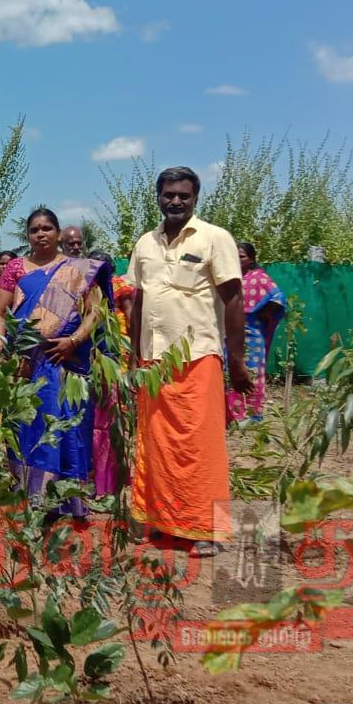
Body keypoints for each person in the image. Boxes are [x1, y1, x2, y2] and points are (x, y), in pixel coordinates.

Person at [126, 166, 249, 557]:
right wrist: (132, 355)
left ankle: (207, 529)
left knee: (200, 444)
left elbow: (233, 298)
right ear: (158, 197)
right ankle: (163, 521)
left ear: (195, 198)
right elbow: (138, 302)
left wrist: (238, 359)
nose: (175, 201)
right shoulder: (146, 243)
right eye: (169, 195)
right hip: (152, 359)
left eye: (184, 195)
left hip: (197, 357)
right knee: (157, 444)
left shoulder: (215, 238)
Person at [0, 209, 109, 512]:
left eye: (47, 228)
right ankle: (31, 494)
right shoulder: (16, 268)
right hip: (25, 363)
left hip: (64, 362)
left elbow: (94, 311)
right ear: (27, 235)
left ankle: (66, 499)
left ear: (58, 233)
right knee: (27, 423)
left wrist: (74, 341)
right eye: (34, 230)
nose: (40, 234)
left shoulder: (77, 269)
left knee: (65, 423)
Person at [226, 242, 286, 425]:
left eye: (242, 256)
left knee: (252, 371)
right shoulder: (229, 278)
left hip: (252, 333)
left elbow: (278, 298)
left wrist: (261, 314)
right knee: (230, 371)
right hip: (230, 332)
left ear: (251, 259)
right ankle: (233, 414)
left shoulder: (258, 278)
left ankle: (252, 415)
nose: (237, 260)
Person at [86, 249, 128, 498]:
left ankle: (106, 480)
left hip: (107, 359)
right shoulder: (86, 288)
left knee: (105, 422)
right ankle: (98, 478)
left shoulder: (114, 290)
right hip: (92, 360)